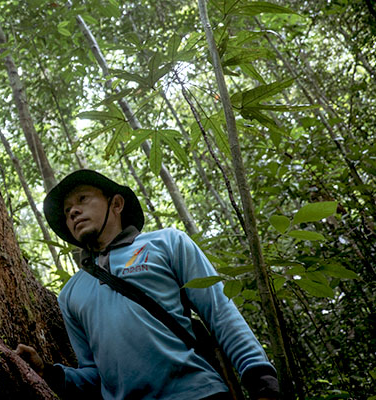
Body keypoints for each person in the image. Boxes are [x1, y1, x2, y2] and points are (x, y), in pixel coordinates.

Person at [16, 169, 280, 400]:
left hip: (201, 393)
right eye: (66, 211)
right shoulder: (70, 294)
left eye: (82, 199)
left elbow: (219, 313)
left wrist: (263, 384)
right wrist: (47, 373)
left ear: (116, 204)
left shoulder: (168, 243)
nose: (73, 211)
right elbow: (95, 375)